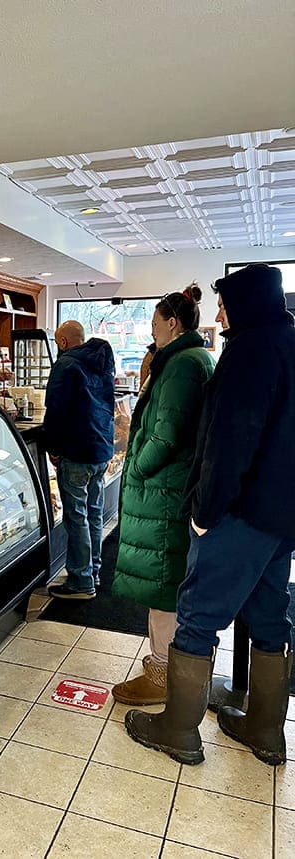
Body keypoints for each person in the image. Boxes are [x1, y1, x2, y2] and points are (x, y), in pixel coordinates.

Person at [126, 264, 295, 766]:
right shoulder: (289, 341)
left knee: (198, 616)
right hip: (283, 516)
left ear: (245, 303)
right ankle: (267, 730)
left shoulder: (249, 351)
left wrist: (204, 510)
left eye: (224, 304)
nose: (218, 315)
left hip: (240, 511)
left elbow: (230, 439)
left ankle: (177, 728)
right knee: (271, 616)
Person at [111, 285, 214, 705]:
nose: (151, 332)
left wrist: (135, 467)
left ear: (172, 323)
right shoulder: (192, 359)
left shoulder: (182, 365)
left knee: (163, 584)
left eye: (154, 324)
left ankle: (163, 674)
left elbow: (165, 433)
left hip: (164, 492)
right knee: (168, 581)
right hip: (172, 490)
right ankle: (169, 668)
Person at [43, 321, 115, 599]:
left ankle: (81, 581)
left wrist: (54, 447)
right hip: (100, 449)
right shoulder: (103, 361)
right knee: (93, 513)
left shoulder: (66, 365)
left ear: (62, 342)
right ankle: (93, 572)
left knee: (77, 517)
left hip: (76, 451)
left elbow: (57, 411)